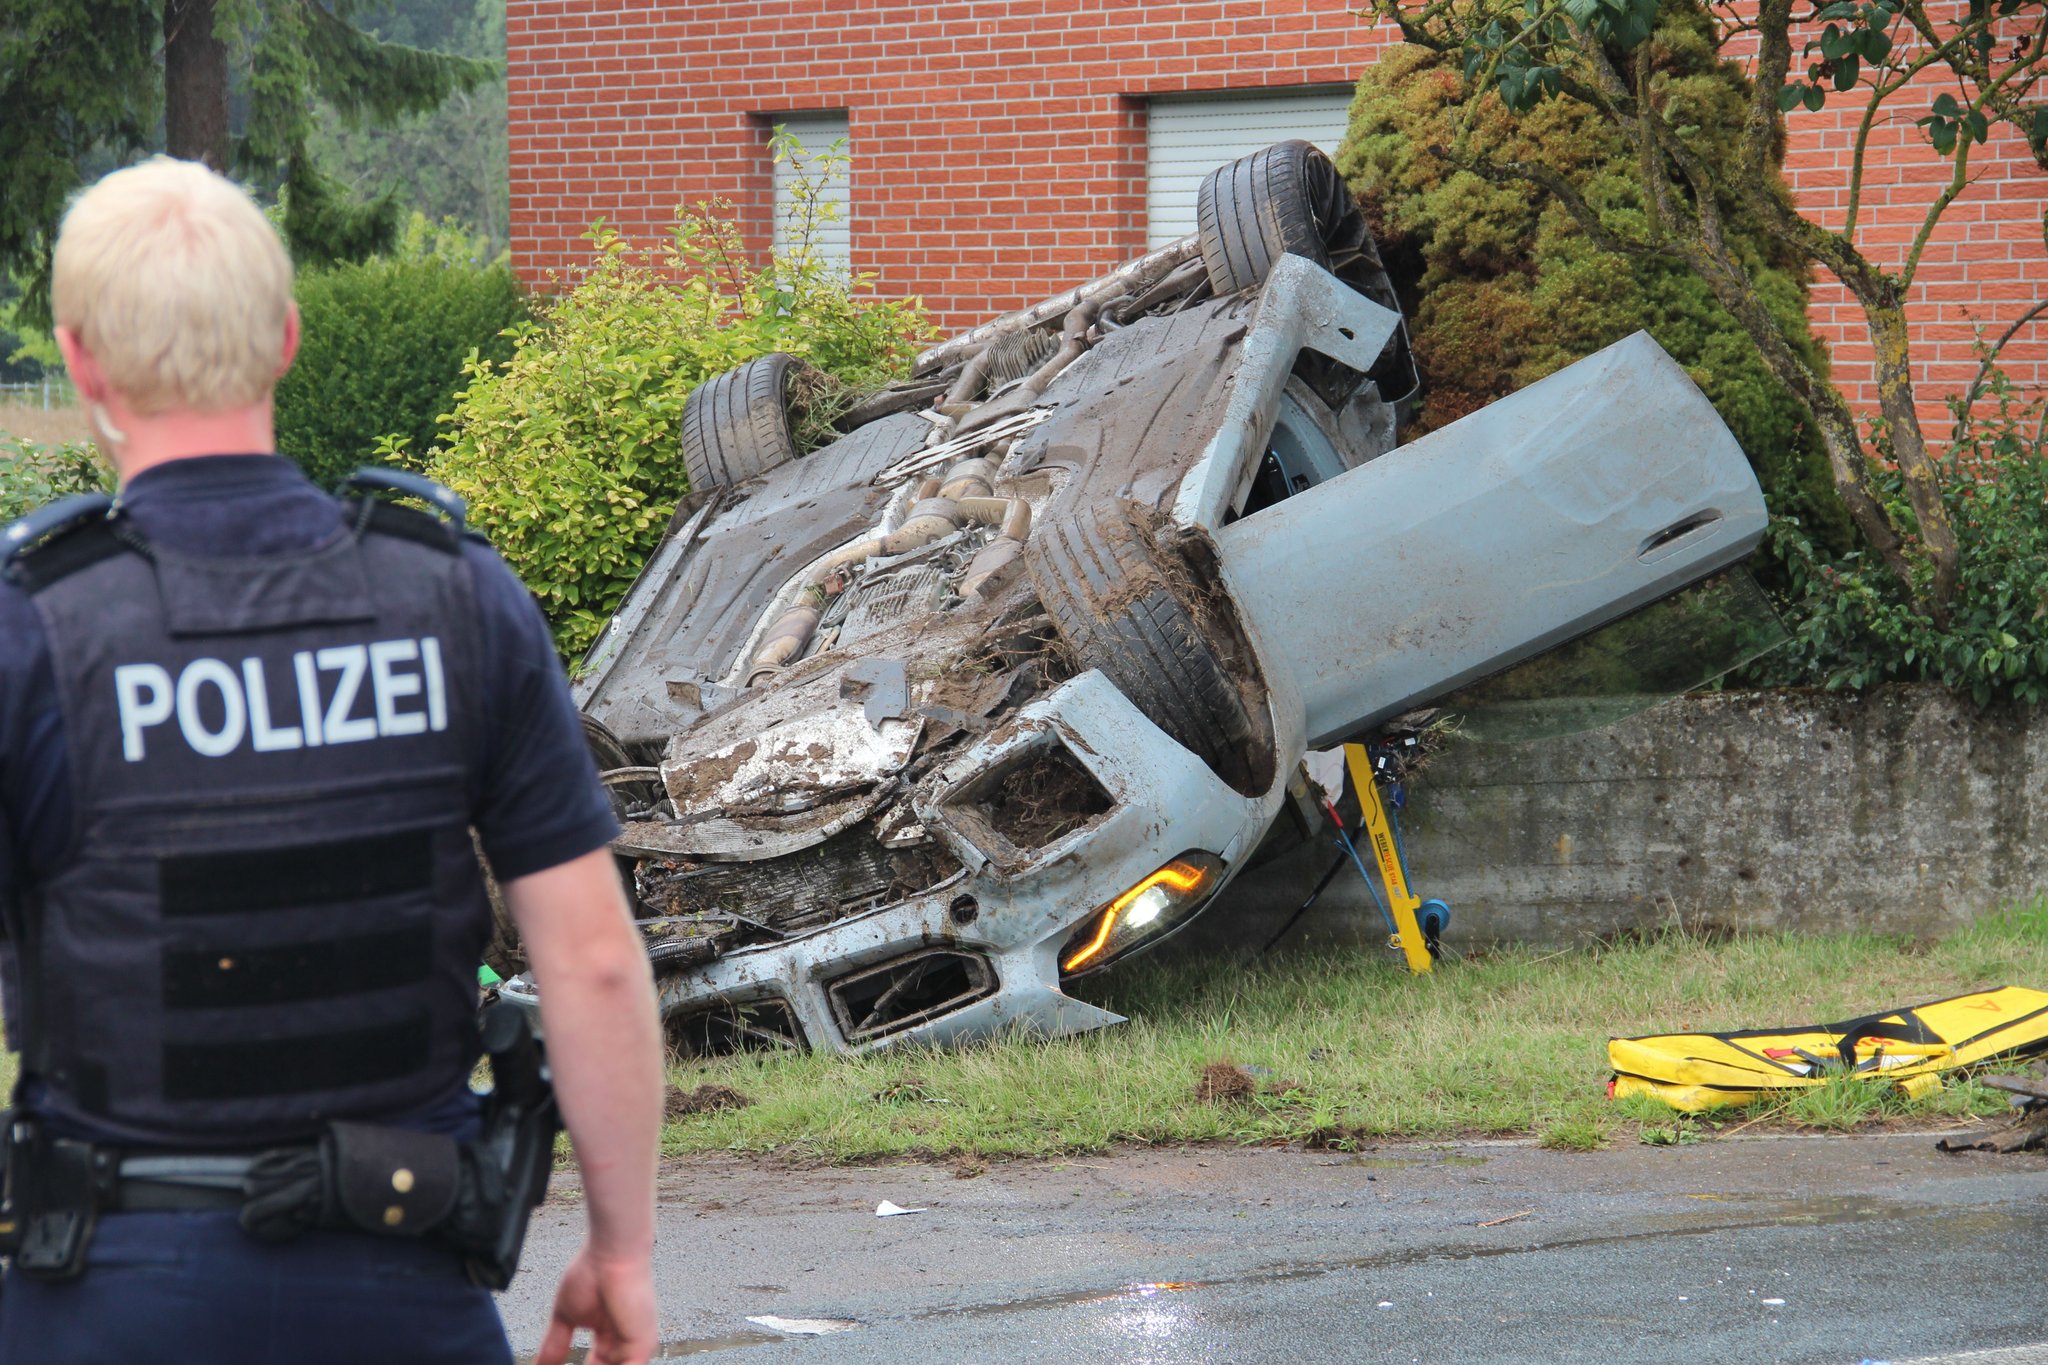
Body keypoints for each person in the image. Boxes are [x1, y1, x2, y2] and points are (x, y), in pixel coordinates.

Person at [0, 157, 662, 1365]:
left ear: (82, 363)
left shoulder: (30, 626)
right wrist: (620, 1252)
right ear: (288, 339)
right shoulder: (455, 595)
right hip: (400, 1280)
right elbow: (593, 962)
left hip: (108, 1288)